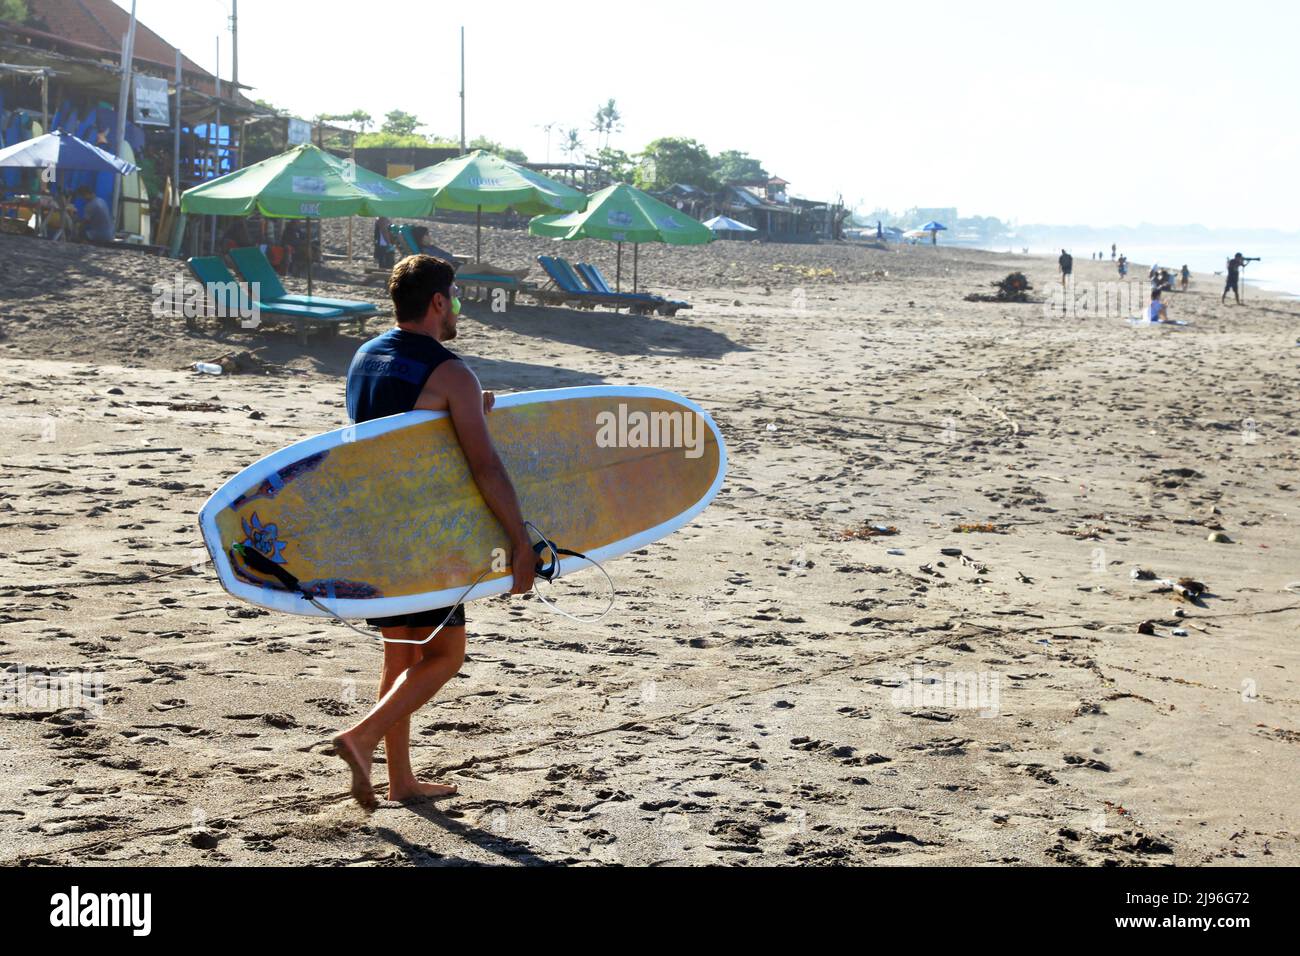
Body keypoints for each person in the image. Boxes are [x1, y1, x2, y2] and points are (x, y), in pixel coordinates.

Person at [332, 254, 536, 809]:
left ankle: (400, 780)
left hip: (374, 529)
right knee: (446, 656)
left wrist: (467, 409)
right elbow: (485, 466)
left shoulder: (364, 357)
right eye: (456, 297)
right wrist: (521, 542)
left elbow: (400, 436)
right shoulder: (450, 373)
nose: (459, 309)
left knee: (401, 659)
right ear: (439, 302)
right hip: (424, 540)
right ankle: (361, 736)